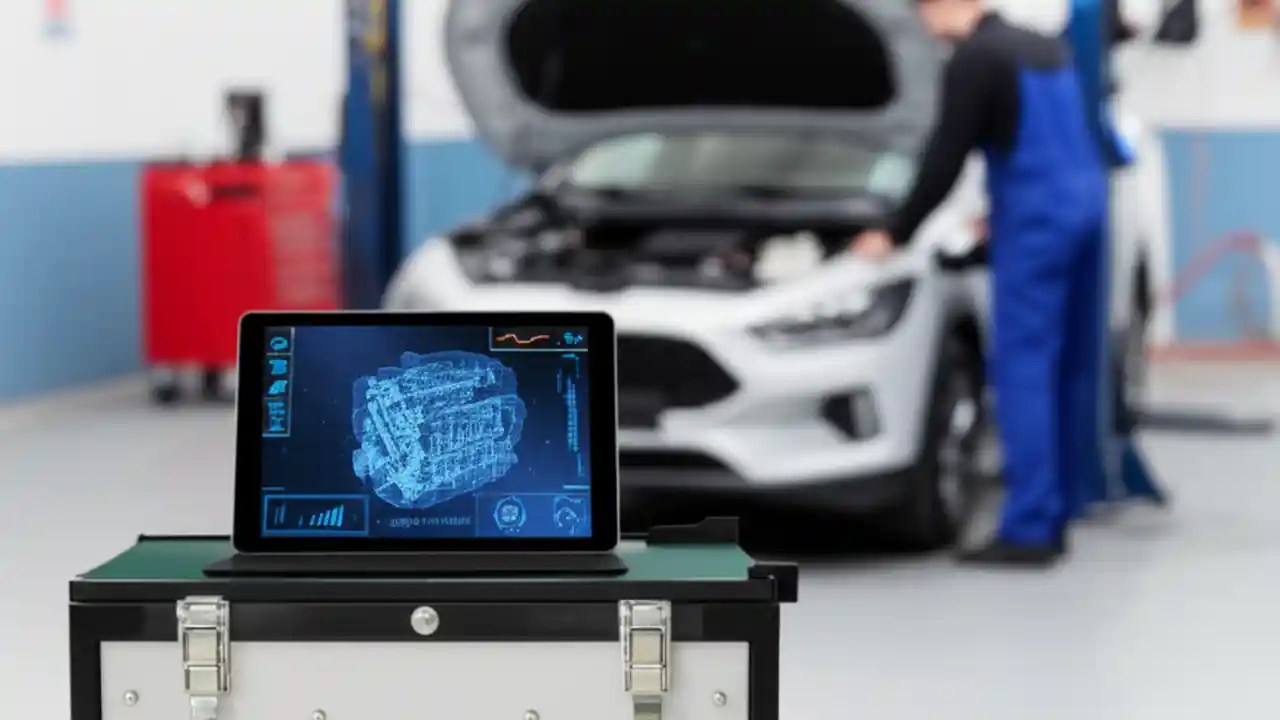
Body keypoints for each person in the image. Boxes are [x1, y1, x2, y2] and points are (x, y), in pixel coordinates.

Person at [852, 0, 1108, 567]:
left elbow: (946, 155)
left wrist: (894, 232)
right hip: (1085, 206)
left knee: (1022, 367)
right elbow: (1051, 136)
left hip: (1037, 218)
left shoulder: (975, 59)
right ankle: (1061, 507)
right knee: (1069, 366)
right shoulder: (1043, 47)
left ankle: (1029, 529)